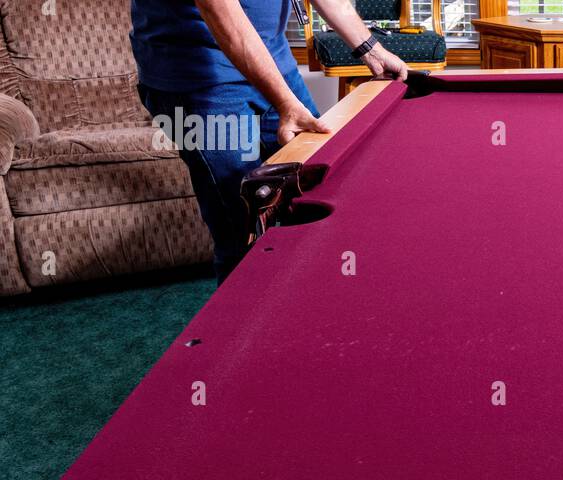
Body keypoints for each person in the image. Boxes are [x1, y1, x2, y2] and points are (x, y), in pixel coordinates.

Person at [131, 1, 412, 282]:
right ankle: (246, 320)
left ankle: (302, 299)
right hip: (199, 80)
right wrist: (286, 103)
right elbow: (222, 14)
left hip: (272, 59)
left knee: (318, 188)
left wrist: (371, 48)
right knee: (242, 224)